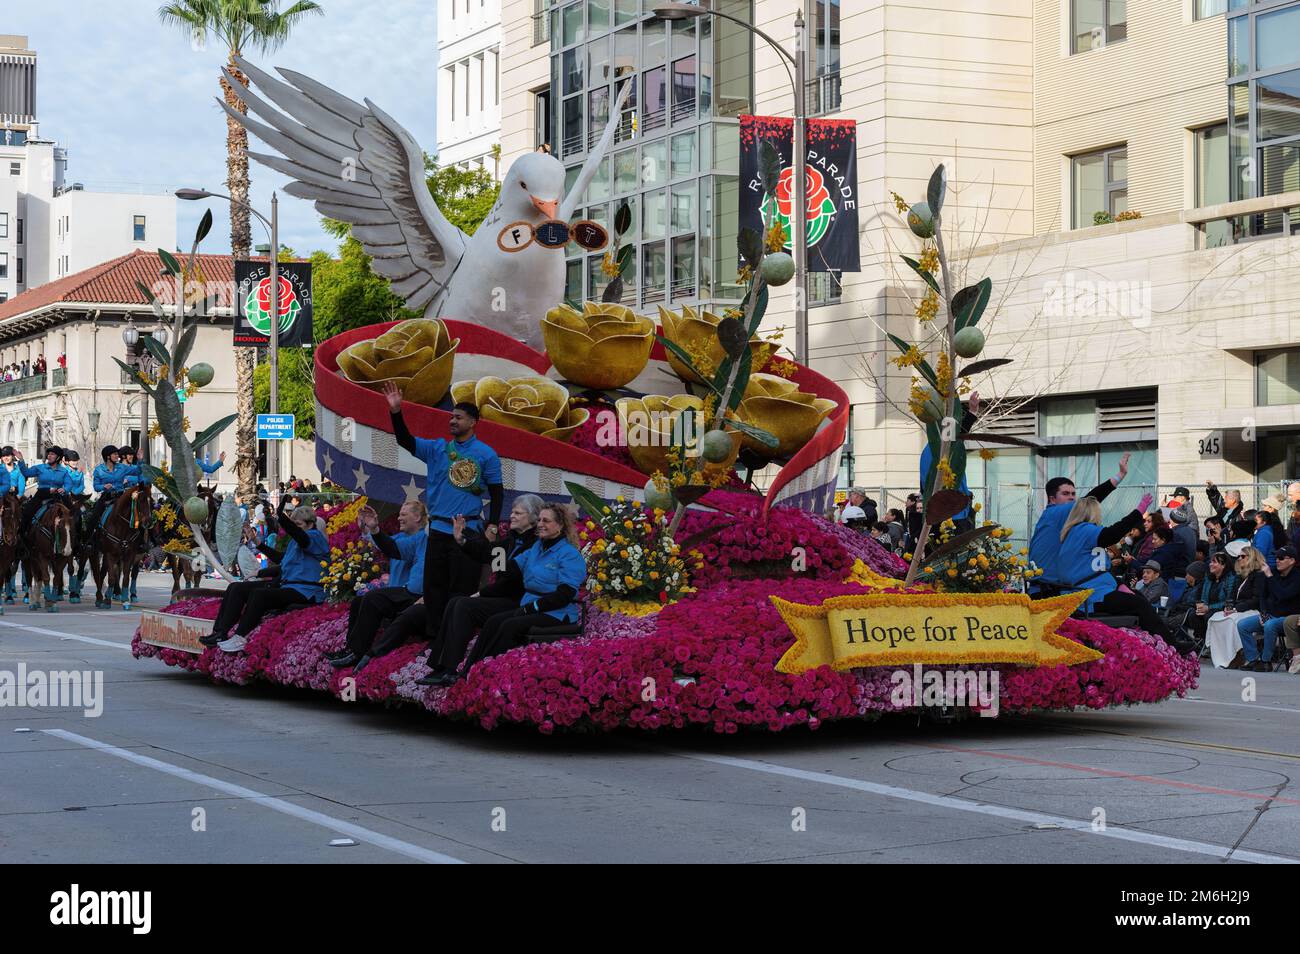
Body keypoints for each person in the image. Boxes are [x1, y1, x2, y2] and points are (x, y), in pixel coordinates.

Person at [383, 381, 503, 644]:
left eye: (458, 417)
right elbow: (405, 440)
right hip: (437, 531)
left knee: (461, 591)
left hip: (467, 533)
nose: (452, 421)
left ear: (473, 422)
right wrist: (396, 411)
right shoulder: (437, 449)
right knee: (434, 591)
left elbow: (497, 492)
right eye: (451, 416)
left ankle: (456, 640)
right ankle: (434, 641)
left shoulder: (487, 455)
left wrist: (493, 525)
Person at [421, 503, 587, 687]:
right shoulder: (536, 549)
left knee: (508, 624)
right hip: (530, 606)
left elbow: (565, 594)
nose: (540, 524)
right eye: (539, 519)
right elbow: (505, 568)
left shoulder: (569, 554)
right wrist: (465, 542)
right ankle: (467, 672)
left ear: (561, 526)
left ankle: (481, 674)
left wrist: (532, 608)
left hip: (556, 612)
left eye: (546, 520)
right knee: (493, 622)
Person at [415, 493, 546, 686]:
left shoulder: (533, 544)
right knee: (455, 602)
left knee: (465, 605)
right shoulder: (512, 541)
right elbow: (488, 553)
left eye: (518, 513)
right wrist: (462, 541)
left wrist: (483, 593)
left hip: (518, 600)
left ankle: (451, 669)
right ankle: (440, 666)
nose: (512, 516)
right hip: (503, 596)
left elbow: (513, 578)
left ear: (533, 518)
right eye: (512, 512)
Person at [1055, 493, 1182, 646]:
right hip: (1091, 596)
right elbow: (1113, 533)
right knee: (1140, 605)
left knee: (1139, 598)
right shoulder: (1085, 530)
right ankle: (1170, 645)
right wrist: (1139, 511)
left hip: (1092, 591)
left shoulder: (1074, 533)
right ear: (1091, 513)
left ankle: (1157, 643)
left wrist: (1120, 585)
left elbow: (1096, 570)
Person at [208, 504, 330, 652]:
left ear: (311, 524)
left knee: (260, 594)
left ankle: (240, 637)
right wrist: (258, 544)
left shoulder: (314, 537)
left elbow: (300, 536)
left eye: (298, 525)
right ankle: (220, 632)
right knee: (236, 587)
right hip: (290, 586)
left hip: (307, 591)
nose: (295, 529)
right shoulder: (296, 542)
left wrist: (282, 517)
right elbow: (282, 560)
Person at [325, 502, 429, 672]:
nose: (398, 517)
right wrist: (371, 529)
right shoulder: (410, 538)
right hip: (405, 591)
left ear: (417, 517)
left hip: (416, 595)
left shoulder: (426, 537)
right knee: (361, 601)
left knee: (373, 599)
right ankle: (351, 650)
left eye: (404, 514)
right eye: (399, 513)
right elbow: (389, 546)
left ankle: (357, 652)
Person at [1028, 452, 1131, 593]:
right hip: (1046, 588)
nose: (1071, 498)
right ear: (1052, 499)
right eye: (1065, 494)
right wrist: (1119, 475)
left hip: (1055, 585)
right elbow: (1092, 498)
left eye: (1073, 494)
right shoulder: (1055, 512)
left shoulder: (1067, 519)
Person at [1236, 545, 1300, 672]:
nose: (1277, 560)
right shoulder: (1272, 573)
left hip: (1288, 617)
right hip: (1270, 614)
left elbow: (1282, 595)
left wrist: (1270, 576)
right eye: (1276, 557)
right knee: (1242, 625)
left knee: (1270, 625)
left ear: (1292, 561)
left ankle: (1266, 661)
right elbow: (1262, 597)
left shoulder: (1297, 577)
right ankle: (1253, 659)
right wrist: (1263, 613)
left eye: (1281, 558)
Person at [16, 447, 76, 539]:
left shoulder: (64, 471)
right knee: (27, 512)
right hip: (41, 495)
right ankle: (22, 536)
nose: (49, 456)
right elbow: (26, 472)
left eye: (52, 454)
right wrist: (21, 460)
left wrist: (65, 489)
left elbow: (69, 483)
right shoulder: (40, 468)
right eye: (49, 454)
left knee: (74, 513)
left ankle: (77, 541)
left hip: (58, 496)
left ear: (58, 457)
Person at [1191, 553, 1236, 653]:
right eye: (1211, 561)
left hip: (1223, 609)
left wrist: (1208, 608)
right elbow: (1204, 597)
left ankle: (1211, 645)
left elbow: (1228, 601)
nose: (1211, 564)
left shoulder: (1230, 578)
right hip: (1208, 608)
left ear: (1223, 565)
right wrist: (1202, 606)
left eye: (1214, 562)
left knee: (1208, 616)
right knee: (1193, 614)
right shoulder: (1209, 577)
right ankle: (1201, 642)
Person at [1252, 504, 1284, 570]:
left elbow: (1260, 553)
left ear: (1264, 522)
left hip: (1266, 567)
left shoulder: (1263, 533)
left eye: (1256, 521)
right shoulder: (1264, 531)